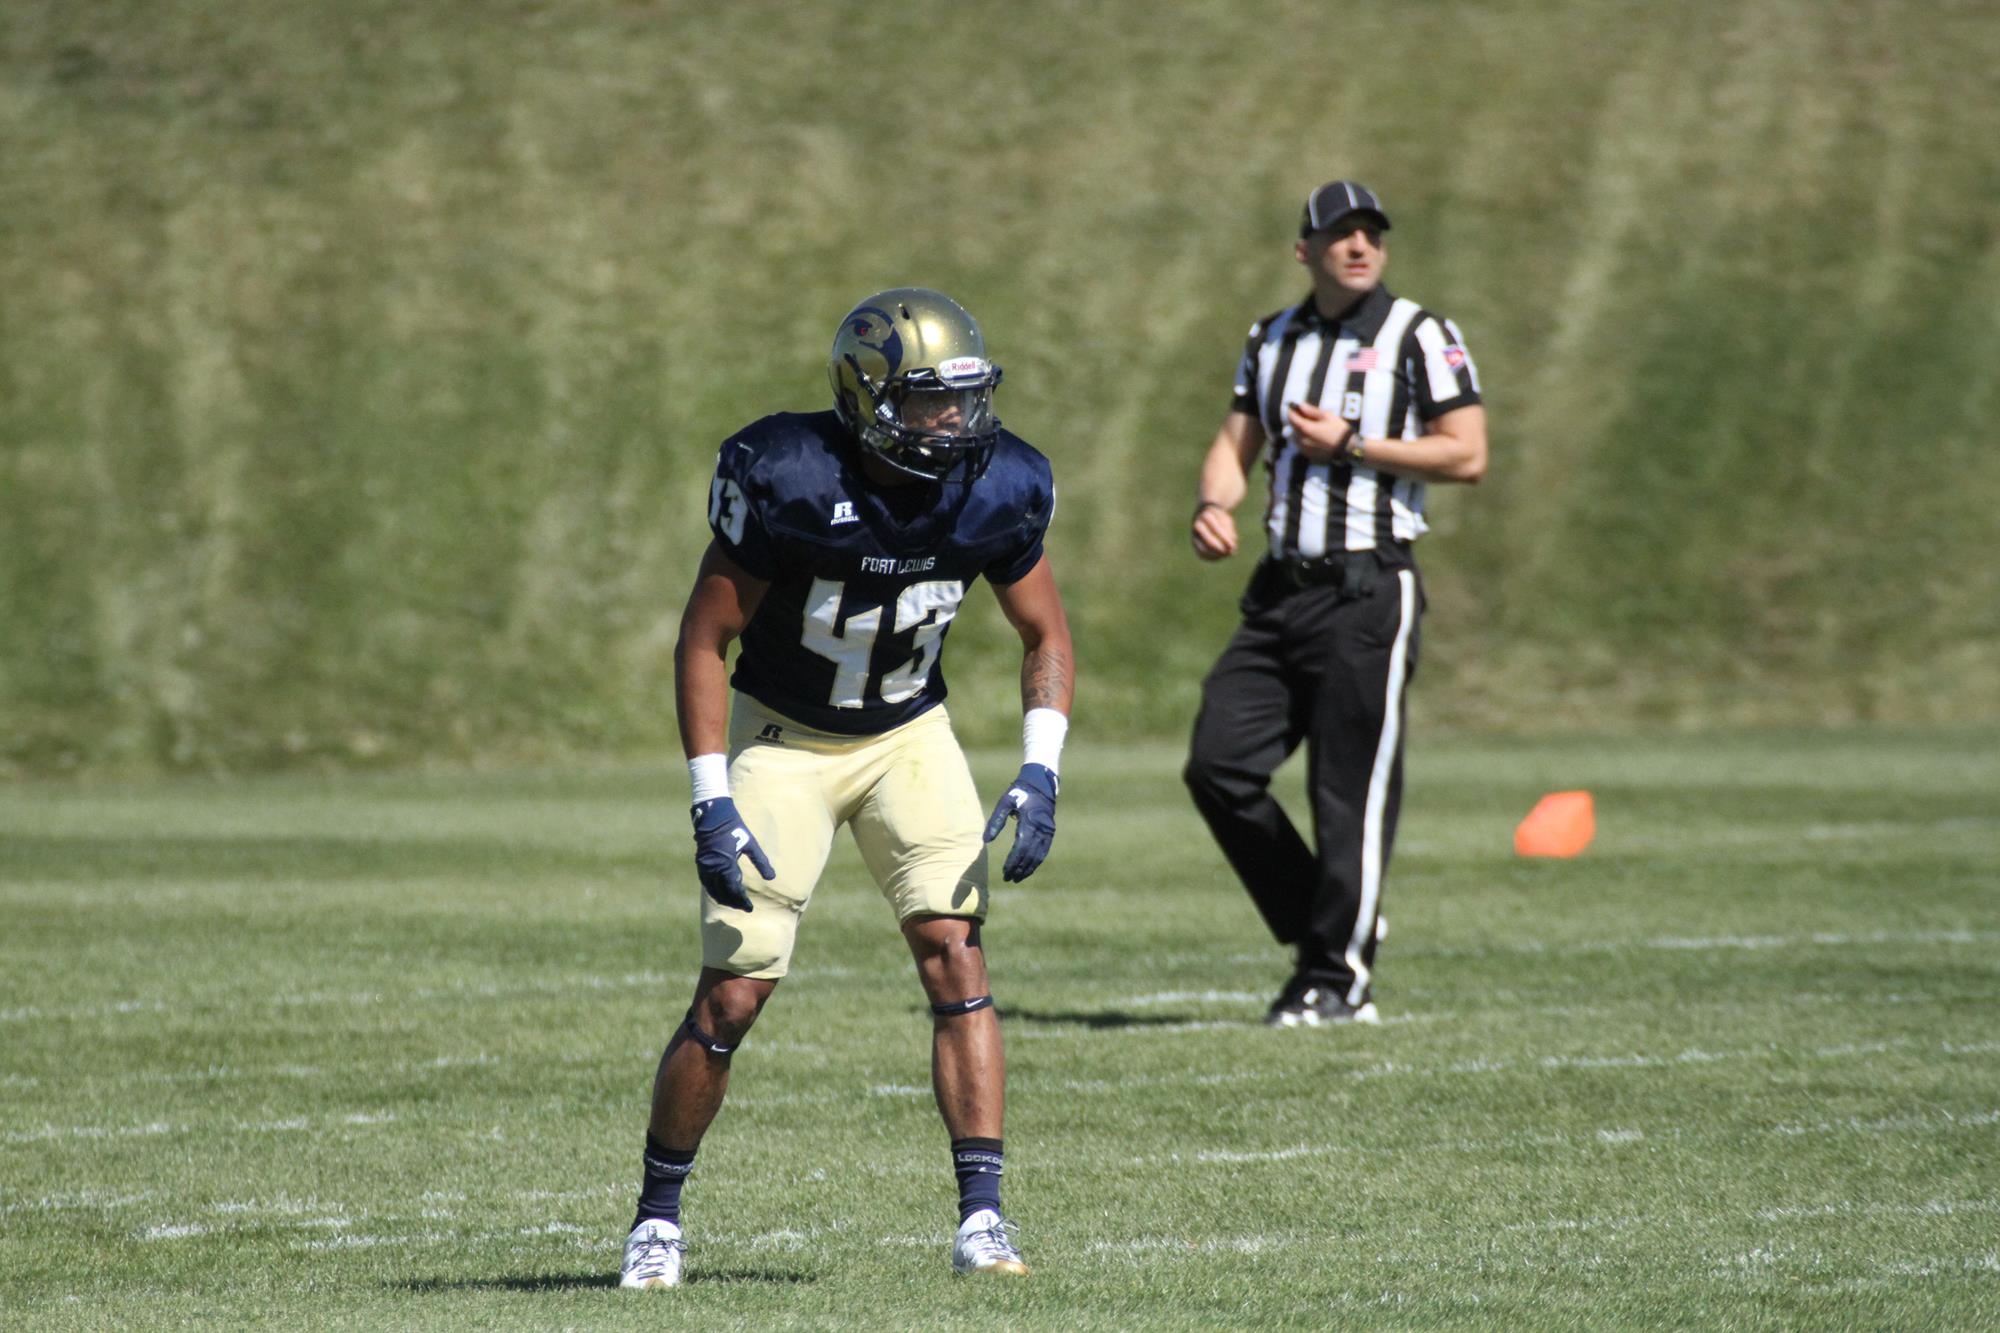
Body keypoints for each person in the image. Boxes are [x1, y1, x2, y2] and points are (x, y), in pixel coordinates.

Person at [619, 288, 1075, 1289]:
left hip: (908, 735)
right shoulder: (789, 476)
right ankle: (656, 1220)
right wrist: (708, 796)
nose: (954, 419)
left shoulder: (999, 484)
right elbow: (705, 636)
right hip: (782, 738)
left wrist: (1040, 767)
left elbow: (1044, 630)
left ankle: (982, 1218)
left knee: (955, 952)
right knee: (736, 987)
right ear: (868, 399)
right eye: (929, 399)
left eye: (964, 396)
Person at [1183, 181, 1487, 1029]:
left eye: (1371, 234)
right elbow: (1234, 443)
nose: (1359, 246)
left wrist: (1353, 443)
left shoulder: (1419, 334)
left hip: (1368, 589)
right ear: (1304, 250)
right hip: (1281, 591)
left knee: (1344, 790)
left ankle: (1335, 977)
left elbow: (1467, 454)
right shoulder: (1271, 338)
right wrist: (1213, 505)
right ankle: (1333, 914)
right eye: (1340, 234)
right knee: (1218, 764)